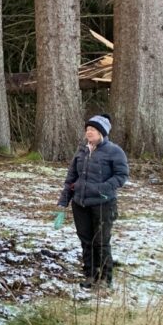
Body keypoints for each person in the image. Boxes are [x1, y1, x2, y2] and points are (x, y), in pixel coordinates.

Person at [56, 114, 129, 289]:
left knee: (101, 241)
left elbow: (121, 176)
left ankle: (105, 279)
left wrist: (102, 188)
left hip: (103, 204)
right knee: (86, 240)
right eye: (87, 129)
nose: (89, 132)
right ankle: (90, 275)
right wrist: (64, 200)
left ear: (102, 133)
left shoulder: (114, 151)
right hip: (80, 204)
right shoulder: (81, 150)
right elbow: (71, 177)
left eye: (93, 130)